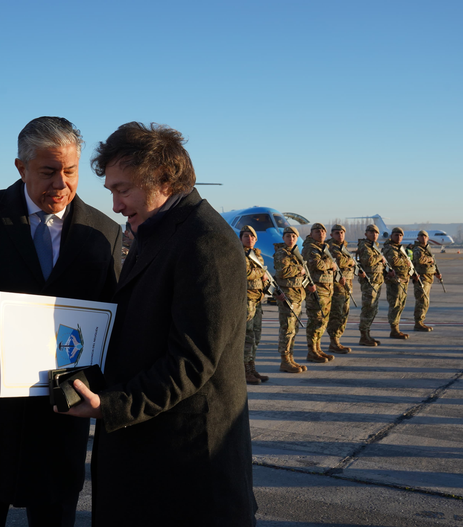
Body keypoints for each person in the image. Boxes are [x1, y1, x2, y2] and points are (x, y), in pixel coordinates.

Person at [0, 117, 122, 527]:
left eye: (70, 171)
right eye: (48, 172)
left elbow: (112, 318)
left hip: (61, 412)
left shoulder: (103, 232)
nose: (61, 184)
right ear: (20, 167)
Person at [59, 122, 257, 526]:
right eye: (111, 190)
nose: (115, 205)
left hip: (184, 466)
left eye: (122, 189)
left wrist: (112, 405)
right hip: (148, 448)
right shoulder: (157, 230)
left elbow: (191, 361)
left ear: (164, 180)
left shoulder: (205, 241)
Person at [301, 222, 341, 363]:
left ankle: (317, 349)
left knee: (323, 321)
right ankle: (312, 351)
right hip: (316, 290)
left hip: (327, 290)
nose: (321, 234)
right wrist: (331, 264)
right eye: (317, 232)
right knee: (315, 321)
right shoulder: (310, 248)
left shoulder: (324, 248)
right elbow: (316, 264)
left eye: (323, 232)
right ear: (311, 234)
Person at [273, 226, 308, 373]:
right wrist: (299, 270)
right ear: (283, 238)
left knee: (293, 329)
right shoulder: (281, 253)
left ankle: (290, 358)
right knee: (287, 329)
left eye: (294, 236)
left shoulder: (295, 254)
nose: (291, 238)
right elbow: (283, 272)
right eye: (288, 236)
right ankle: (284, 360)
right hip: (287, 297)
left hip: (297, 296)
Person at [241, 224, 269, 384]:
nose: (249, 239)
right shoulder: (240, 253)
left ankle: (252, 368)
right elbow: (245, 273)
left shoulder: (258, 256)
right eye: (246, 236)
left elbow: (261, 277)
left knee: (256, 337)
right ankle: (244, 371)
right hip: (246, 301)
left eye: (252, 237)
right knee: (247, 337)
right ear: (241, 238)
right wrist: (262, 272)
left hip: (257, 301)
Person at [325, 224, 357, 354]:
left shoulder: (343, 248)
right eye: (337, 233)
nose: (340, 235)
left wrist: (348, 260)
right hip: (337, 287)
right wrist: (350, 261)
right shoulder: (331, 248)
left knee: (344, 314)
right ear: (332, 235)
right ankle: (334, 341)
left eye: (342, 233)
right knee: (336, 314)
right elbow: (339, 261)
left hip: (346, 285)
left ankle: (337, 339)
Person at [357, 223, 388, 346]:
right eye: (371, 232)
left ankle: (367, 334)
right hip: (369, 283)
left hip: (376, 282)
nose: (374, 235)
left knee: (373, 310)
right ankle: (363, 336)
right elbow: (368, 261)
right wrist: (380, 258)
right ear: (366, 234)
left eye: (376, 233)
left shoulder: (374, 247)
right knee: (368, 309)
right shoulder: (364, 246)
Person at [382, 227, 412, 339]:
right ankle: (394, 330)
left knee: (400, 305)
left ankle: (396, 328)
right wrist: (406, 261)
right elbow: (393, 260)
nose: (398, 237)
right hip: (394, 281)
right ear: (391, 236)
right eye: (396, 235)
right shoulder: (389, 248)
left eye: (400, 235)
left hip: (403, 280)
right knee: (395, 305)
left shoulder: (400, 248)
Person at [412, 229, 442, 331]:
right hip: (422, 278)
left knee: (426, 301)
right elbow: (419, 260)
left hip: (429, 278)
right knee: (422, 300)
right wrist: (430, 259)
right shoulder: (417, 249)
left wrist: (436, 273)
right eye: (421, 236)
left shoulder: (427, 249)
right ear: (418, 238)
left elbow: (432, 263)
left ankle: (421, 321)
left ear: (428, 238)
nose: (423, 238)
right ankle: (418, 322)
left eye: (425, 236)